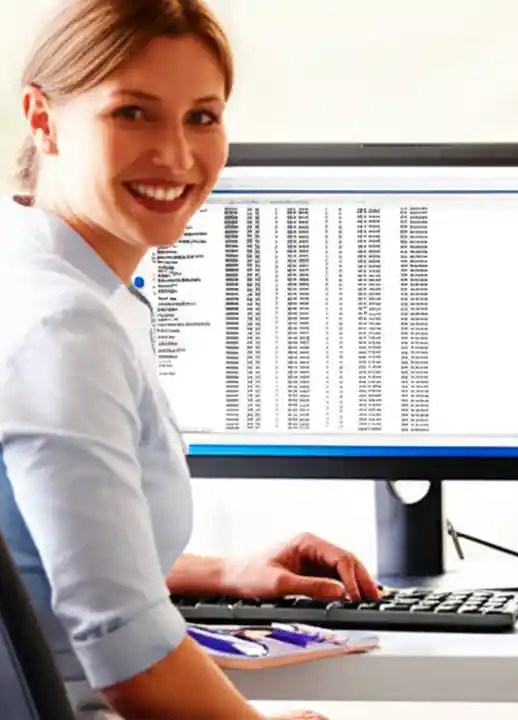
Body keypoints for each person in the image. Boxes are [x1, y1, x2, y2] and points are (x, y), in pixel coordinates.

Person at [0, 1, 380, 718]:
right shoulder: (65, 325)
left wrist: (225, 571)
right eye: (132, 114)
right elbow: (126, 653)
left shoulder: (41, 275)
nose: (177, 156)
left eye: (202, 117)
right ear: (42, 119)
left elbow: (43, 555)